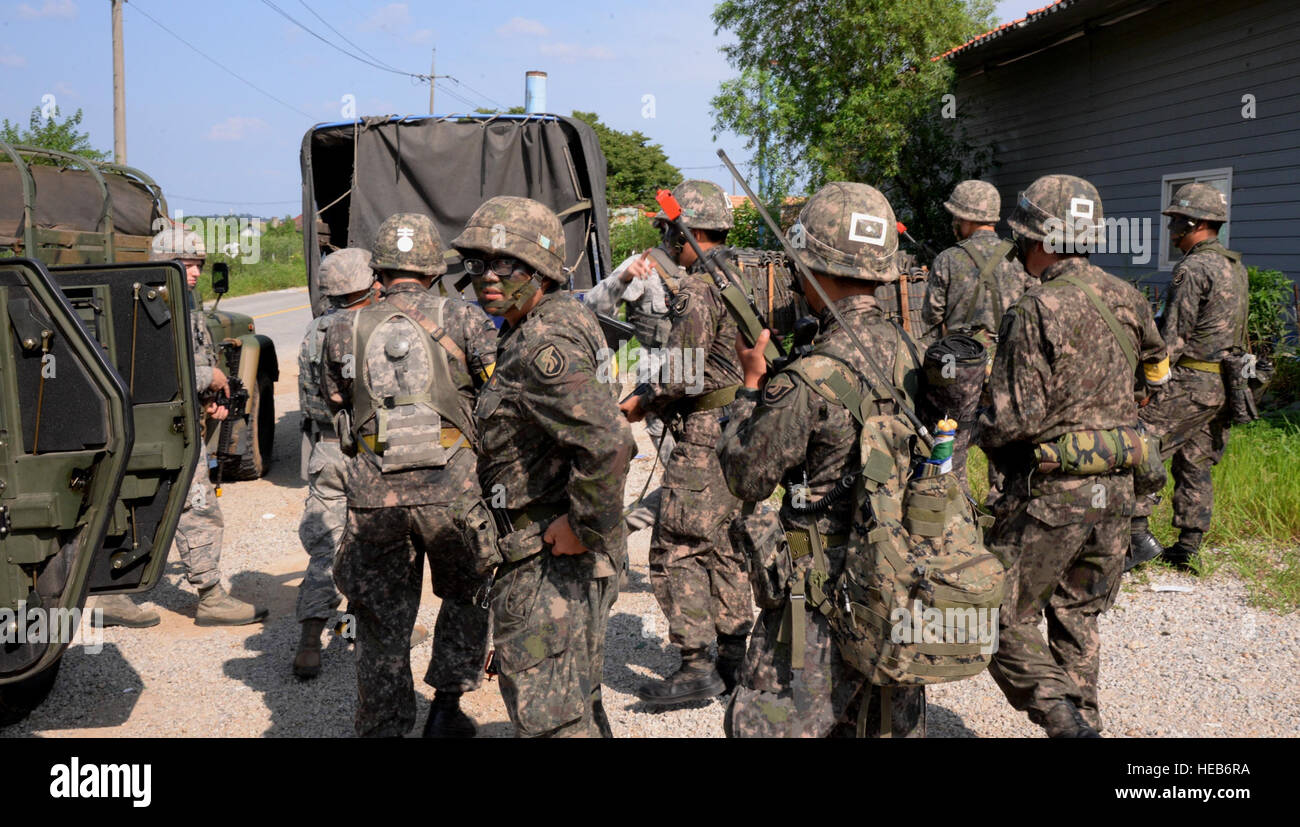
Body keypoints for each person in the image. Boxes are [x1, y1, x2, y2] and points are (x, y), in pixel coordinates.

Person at [718, 182, 926, 737]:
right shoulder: (911, 352)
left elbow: (745, 474)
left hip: (818, 596)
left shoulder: (808, 379)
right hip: (894, 580)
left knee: (763, 726)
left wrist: (751, 384)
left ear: (813, 270)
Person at [980, 175, 1169, 737]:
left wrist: (972, 421)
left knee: (992, 616)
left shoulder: (1036, 309)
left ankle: (1062, 719)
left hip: (1051, 499)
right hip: (1118, 490)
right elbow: (1157, 374)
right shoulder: (1129, 297)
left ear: (1035, 238)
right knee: (1078, 618)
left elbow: (1014, 421)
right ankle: (1084, 726)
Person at [454, 195, 634, 737]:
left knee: (550, 718)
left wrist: (584, 528)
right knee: (573, 700)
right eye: (478, 263)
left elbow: (608, 443)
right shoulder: (553, 320)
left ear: (542, 269)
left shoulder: (543, 343)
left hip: (547, 564)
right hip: (547, 557)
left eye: (506, 264)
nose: (488, 276)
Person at [322, 213, 496, 738]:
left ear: (380, 270)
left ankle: (384, 725)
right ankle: (445, 708)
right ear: (432, 268)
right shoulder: (466, 319)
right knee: (467, 596)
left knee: (379, 618)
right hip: (455, 493)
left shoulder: (342, 326)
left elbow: (332, 401)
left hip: (376, 496)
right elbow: (497, 397)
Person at [618, 179, 755, 705]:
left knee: (676, 546)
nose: (667, 240)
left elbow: (681, 372)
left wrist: (639, 401)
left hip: (706, 433)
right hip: (743, 424)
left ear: (685, 230)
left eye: (669, 230)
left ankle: (697, 665)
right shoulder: (744, 275)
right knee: (723, 545)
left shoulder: (698, 286)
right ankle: (734, 658)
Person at [94, 224, 268, 628]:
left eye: (198, 265)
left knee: (140, 506)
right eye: (187, 263)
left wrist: (208, 400)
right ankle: (209, 597)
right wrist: (211, 379)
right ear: (162, 263)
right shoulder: (146, 307)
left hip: (170, 428)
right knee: (197, 510)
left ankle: (112, 594)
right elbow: (155, 371)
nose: (194, 272)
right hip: (158, 431)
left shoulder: (174, 307)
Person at [1127, 182, 1248, 571]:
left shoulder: (1193, 268)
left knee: (1140, 446)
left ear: (1193, 223)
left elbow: (1172, 339)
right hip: (1220, 387)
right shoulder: (1234, 266)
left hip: (1190, 382)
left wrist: (1145, 388)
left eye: (1175, 220)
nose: (1170, 228)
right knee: (1195, 461)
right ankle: (1188, 546)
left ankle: (1136, 536)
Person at [293, 248, 376, 678]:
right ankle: (354, 633)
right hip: (364, 449)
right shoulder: (369, 328)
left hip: (325, 449)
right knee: (367, 545)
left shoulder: (312, 331)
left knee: (325, 547)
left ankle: (309, 643)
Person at [581, 248, 679, 530]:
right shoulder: (645, 266)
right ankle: (621, 530)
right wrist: (623, 278)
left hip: (702, 375)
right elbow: (592, 305)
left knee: (699, 475)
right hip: (656, 378)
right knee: (683, 473)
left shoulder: (708, 269)